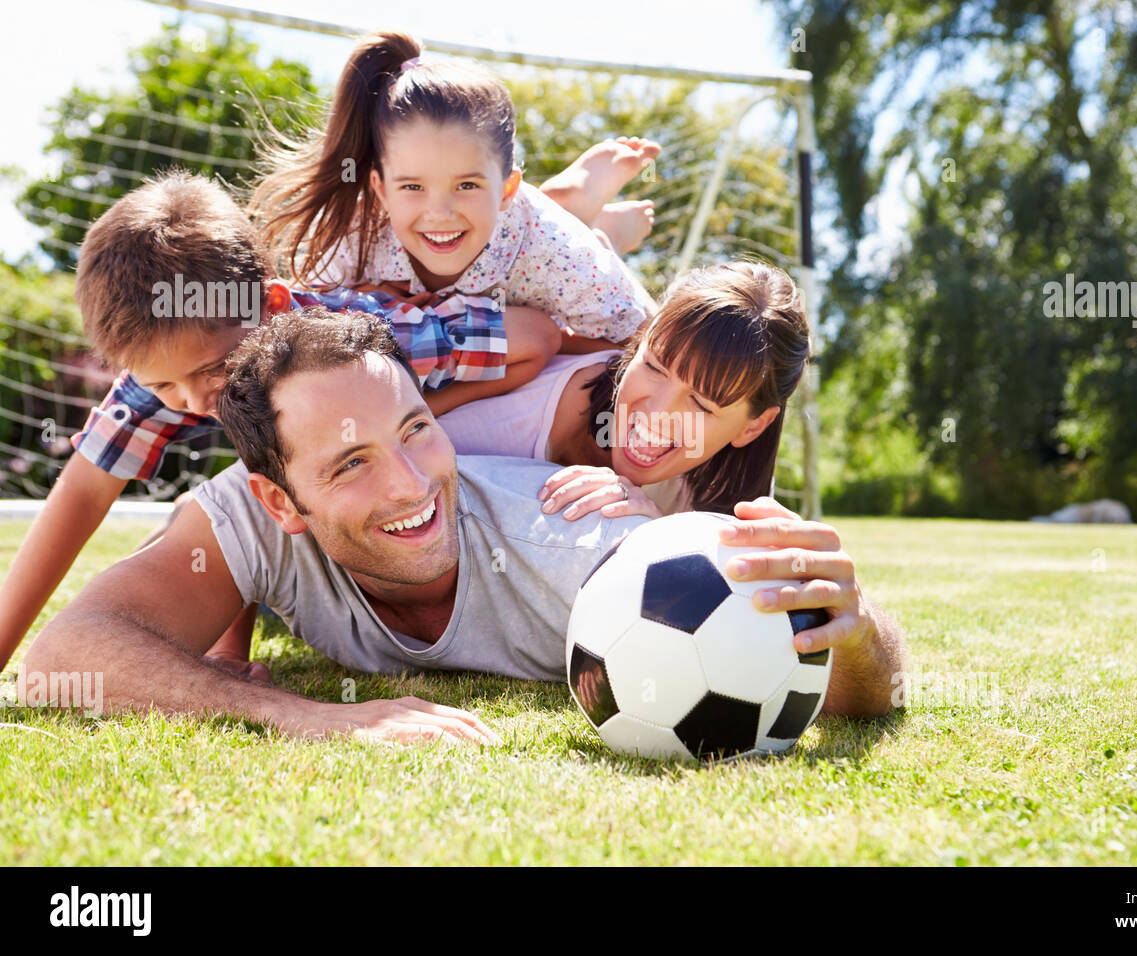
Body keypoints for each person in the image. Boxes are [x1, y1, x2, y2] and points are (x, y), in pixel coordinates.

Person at [21, 308, 908, 744]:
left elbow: (841, 686)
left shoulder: (581, 551)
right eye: (352, 460)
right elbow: (64, 657)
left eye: (415, 429)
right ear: (281, 502)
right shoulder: (245, 524)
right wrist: (302, 716)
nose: (412, 484)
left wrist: (859, 634)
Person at [0, 123, 658, 675]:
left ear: (272, 310)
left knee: (553, 329)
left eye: (212, 371)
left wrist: (424, 415)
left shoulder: (359, 339)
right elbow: (80, 496)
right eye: (163, 385)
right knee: (221, 499)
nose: (192, 399)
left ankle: (586, 220)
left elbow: (536, 335)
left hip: (474, 277)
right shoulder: (163, 369)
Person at [249, 31, 658, 392]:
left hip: (532, 255)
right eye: (412, 187)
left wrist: (544, 331)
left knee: (574, 297)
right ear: (379, 190)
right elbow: (309, 315)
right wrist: (369, 297)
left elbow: (637, 342)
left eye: (466, 185)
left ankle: (601, 229)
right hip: (510, 230)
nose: (439, 212)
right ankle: (578, 205)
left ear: (506, 189)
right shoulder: (354, 233)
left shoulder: (556, 251)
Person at [437, 260, 809, 521]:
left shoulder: (720, 509)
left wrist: (649, 537)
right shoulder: (530, 375)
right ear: (639, 345)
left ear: (753, 427)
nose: (658, 412)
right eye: (653, 366)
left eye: (701, 403)